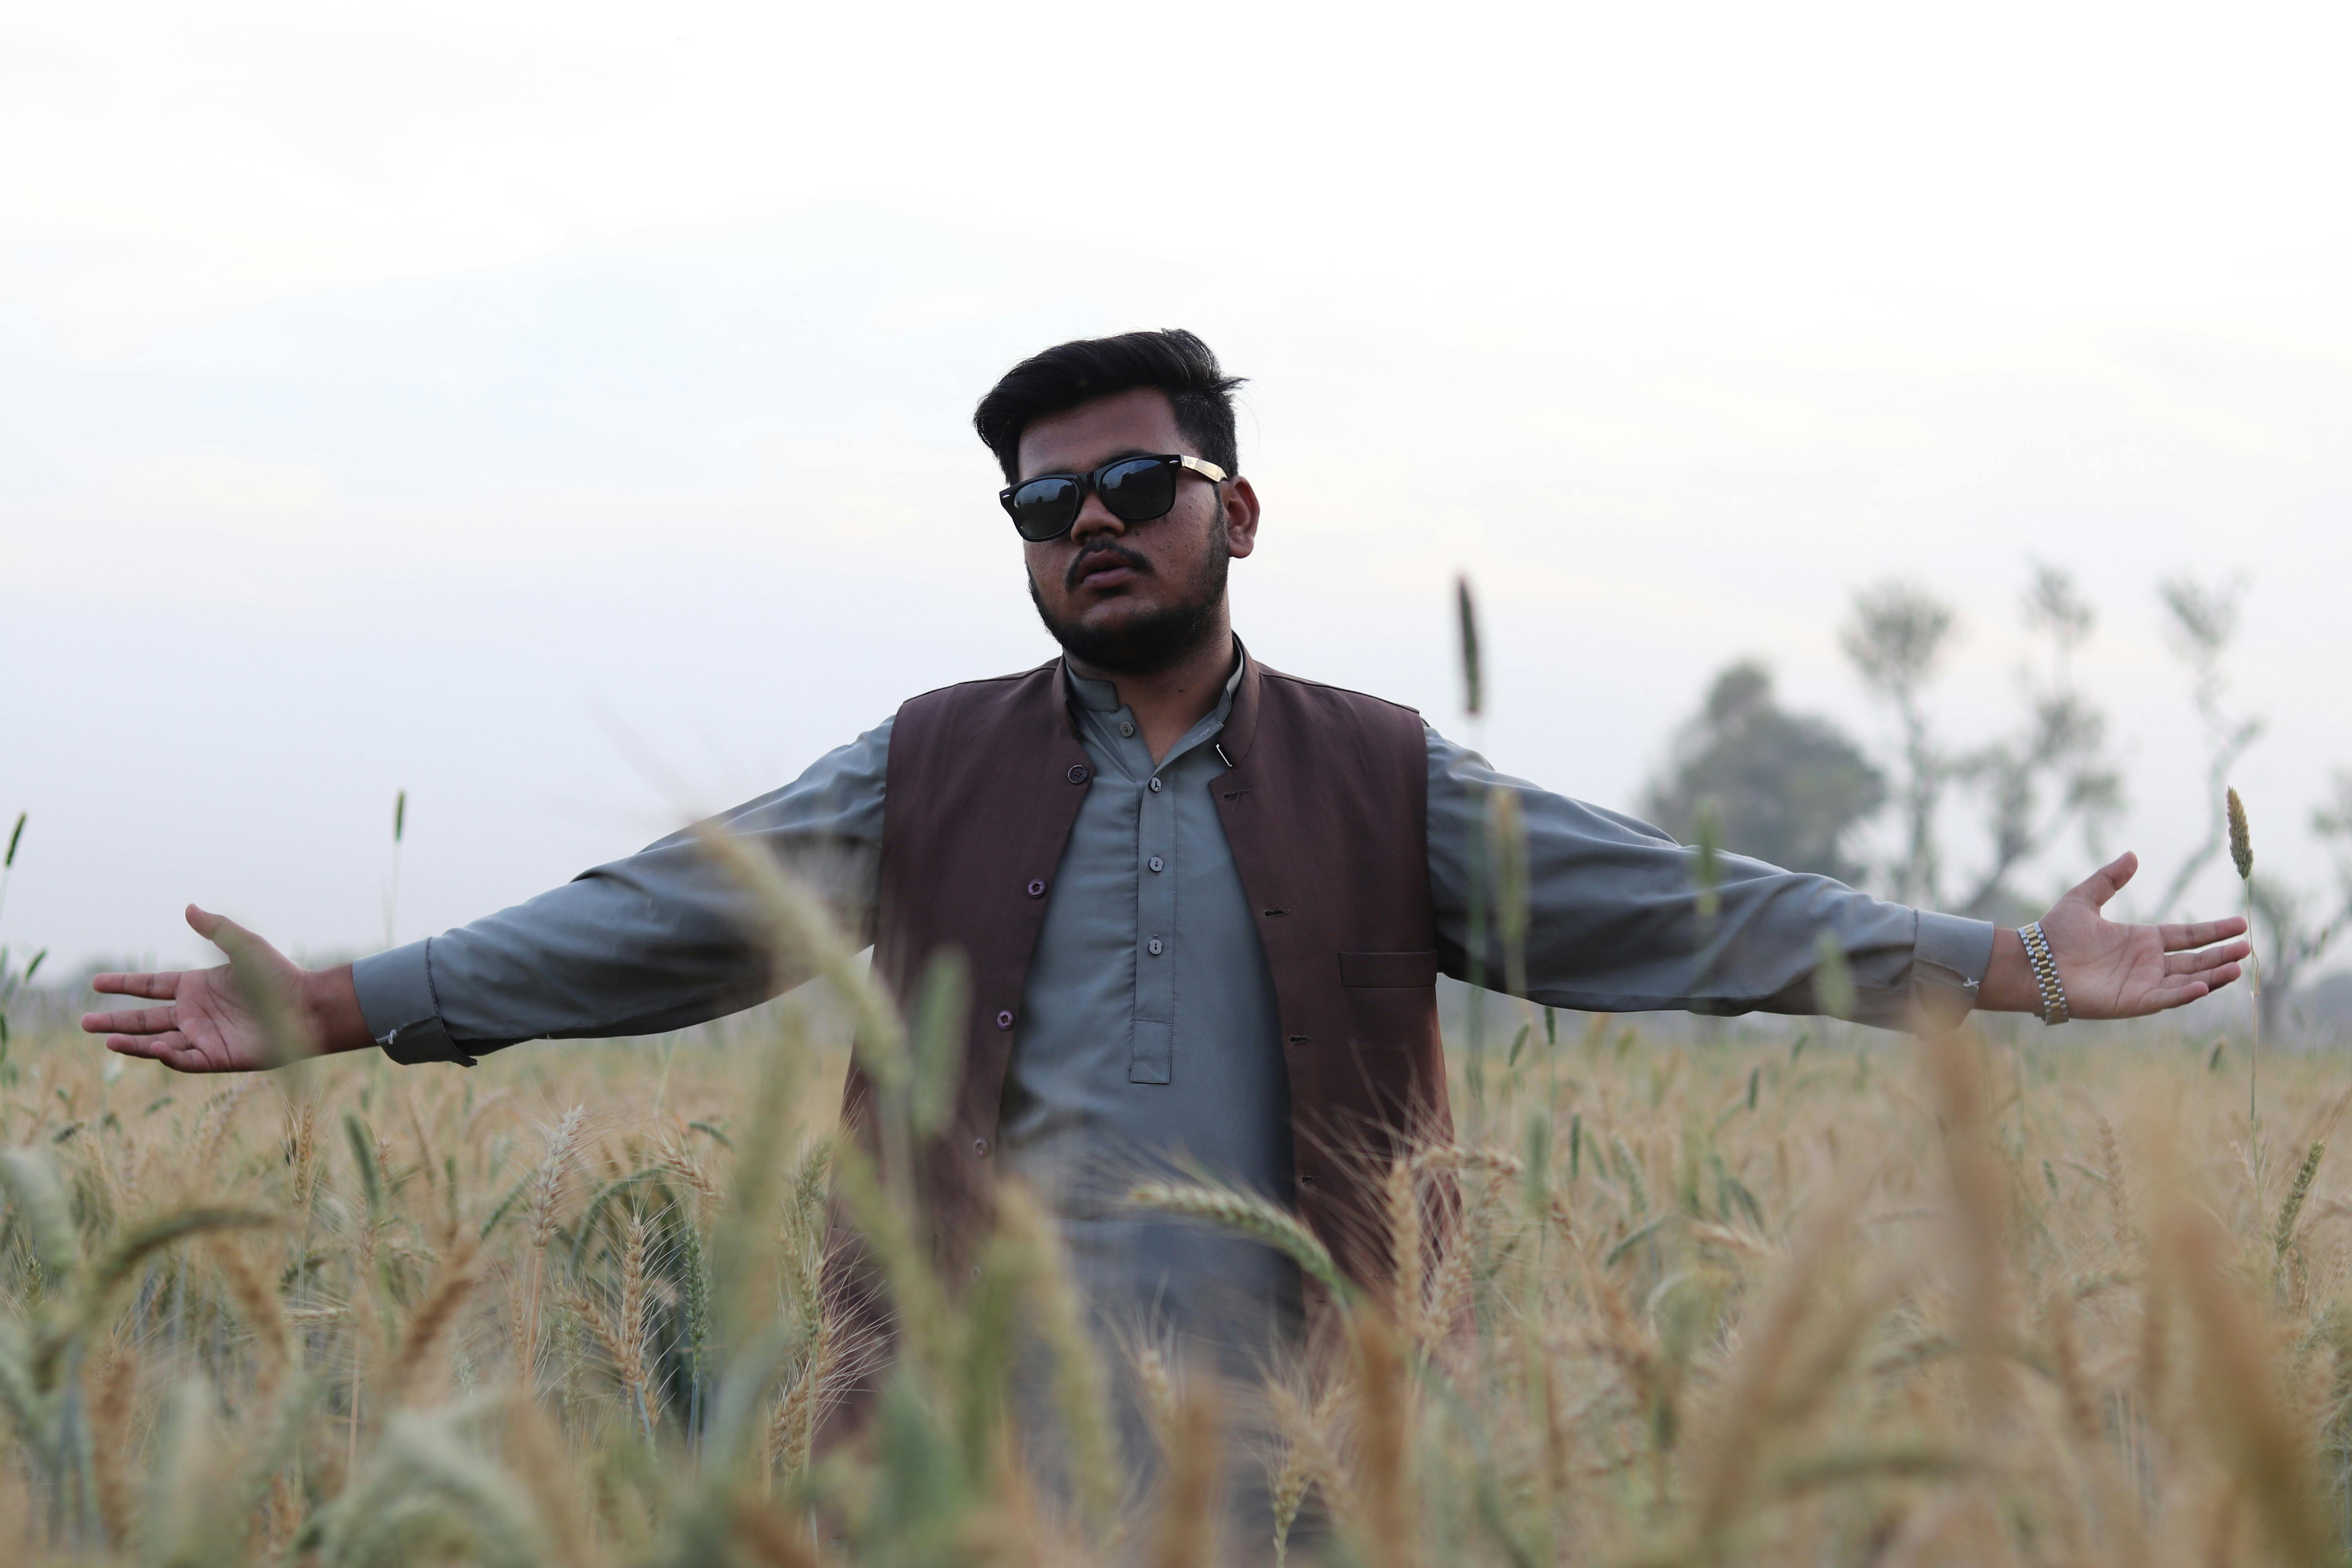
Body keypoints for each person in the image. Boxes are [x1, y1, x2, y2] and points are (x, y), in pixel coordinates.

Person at [84, 327, 2248, 1381]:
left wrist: (2008, 964)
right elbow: (649, 925)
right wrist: (336, 1005)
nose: (1092, 524)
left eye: (1137, 484)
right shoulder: (919, 772)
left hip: (1305, 1468)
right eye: (1048, 505)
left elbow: (1700, 913)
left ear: (1237, 511)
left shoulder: (1383, 779)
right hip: (960, 1467)